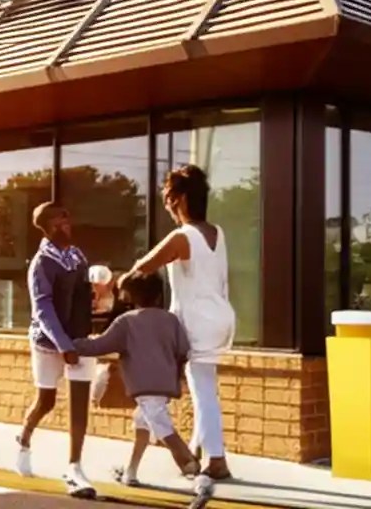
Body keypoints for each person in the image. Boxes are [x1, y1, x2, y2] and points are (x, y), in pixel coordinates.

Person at [122, 164, 235, 481]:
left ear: (181, 198)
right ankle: (198, 449)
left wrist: (122, 282)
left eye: (169, 198)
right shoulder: (216, 232)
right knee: (203, 387)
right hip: (220, 317)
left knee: (201, 391)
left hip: (197, 321)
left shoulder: (182, 236)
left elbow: (143, 267)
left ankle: (217, 459)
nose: (168, 206)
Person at [73, 272, 213, 503]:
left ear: (131, 296)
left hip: (143, 383)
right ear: (159, 296)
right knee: (142, 420)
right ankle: (131, 472)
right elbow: (183, 349)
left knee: (159, 422)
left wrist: (72, 344)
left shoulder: (126, 321)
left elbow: (100, 345)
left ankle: (192, 469)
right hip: (165, 382)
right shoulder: (171, 320)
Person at [16, 201, 96, 499]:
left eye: (68, 217)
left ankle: (74, 467)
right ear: (49, 226)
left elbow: (84, 295)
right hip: (49, 343)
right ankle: (24, 436)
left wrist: (100, 296)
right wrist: (63, 345)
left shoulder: (78, 257)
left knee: (79, 402)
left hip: (79, 339)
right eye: (63, 219)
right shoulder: (41, 263)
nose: (68, 222)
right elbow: (43, 309)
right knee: (46, 400)